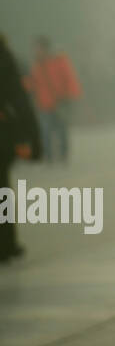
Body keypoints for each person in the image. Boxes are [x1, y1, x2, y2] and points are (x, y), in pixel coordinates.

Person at [1, 33, 43, 262]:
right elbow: (19, 100)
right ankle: (6, 242)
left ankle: (6, 242)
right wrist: (33, 138)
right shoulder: (4, 57)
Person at [24, 36, 81, 164]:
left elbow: (69, 79)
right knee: (45, 132)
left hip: (60, 102)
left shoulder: (59, 61)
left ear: (46, 48)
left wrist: (70, 96)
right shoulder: (36, 66)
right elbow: (31, 83)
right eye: (35, 49)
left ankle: (63, 155)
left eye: (38, 48)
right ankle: (48, 157)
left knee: (62, 130)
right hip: (44, 105)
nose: (36, 52)